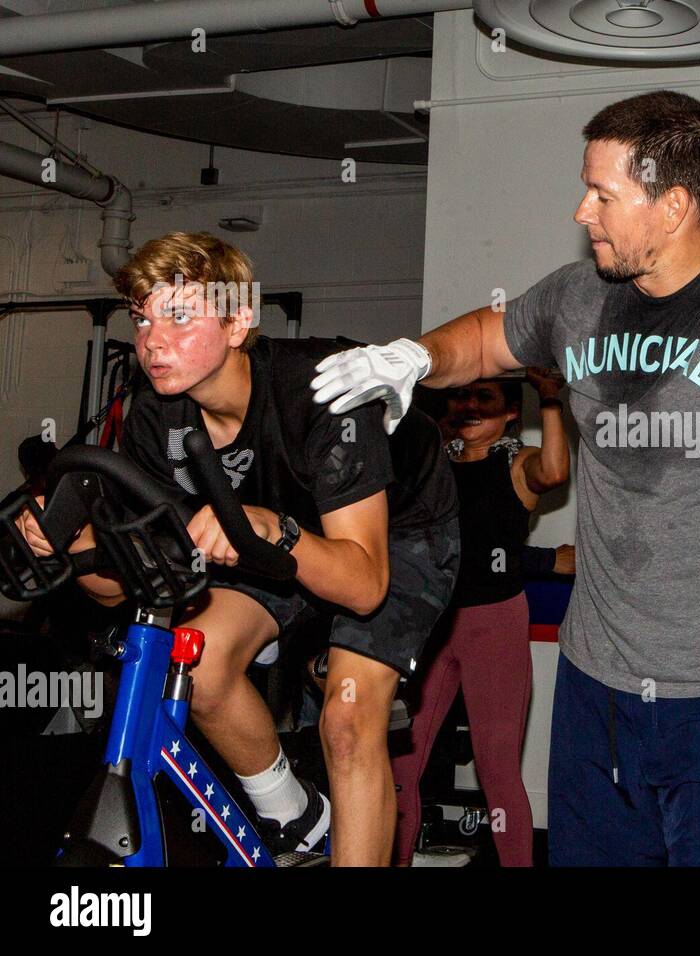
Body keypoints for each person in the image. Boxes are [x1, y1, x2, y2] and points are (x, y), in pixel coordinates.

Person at [312, 89, 700, 866]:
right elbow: (487, 337)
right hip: (597, 681)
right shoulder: (577, 298)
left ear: (671, 206)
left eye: (603, 194)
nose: (581, 212)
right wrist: (414, 357)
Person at [20, 232, 460, 866]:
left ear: (238, 322)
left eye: (178, 315)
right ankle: (294, 818)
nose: (152, 340)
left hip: (393, 532)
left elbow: (363, 585)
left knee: (346, 717)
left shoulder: (321, 392)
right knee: (193, 665)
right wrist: (76, 550)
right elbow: (127, 585)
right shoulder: (155, 416)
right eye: (142, 318)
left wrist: (269, 528)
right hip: (265, 526)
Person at [392, 369, 569, 867]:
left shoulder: (518, 465)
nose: (468, 405)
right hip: (431, 626)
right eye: (461, 397)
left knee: (497, 770)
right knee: (401, 766)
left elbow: (555, 471)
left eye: (484, 397)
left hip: (494, 624)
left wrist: (550, 397)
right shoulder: (430, 463)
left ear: (511, 412)